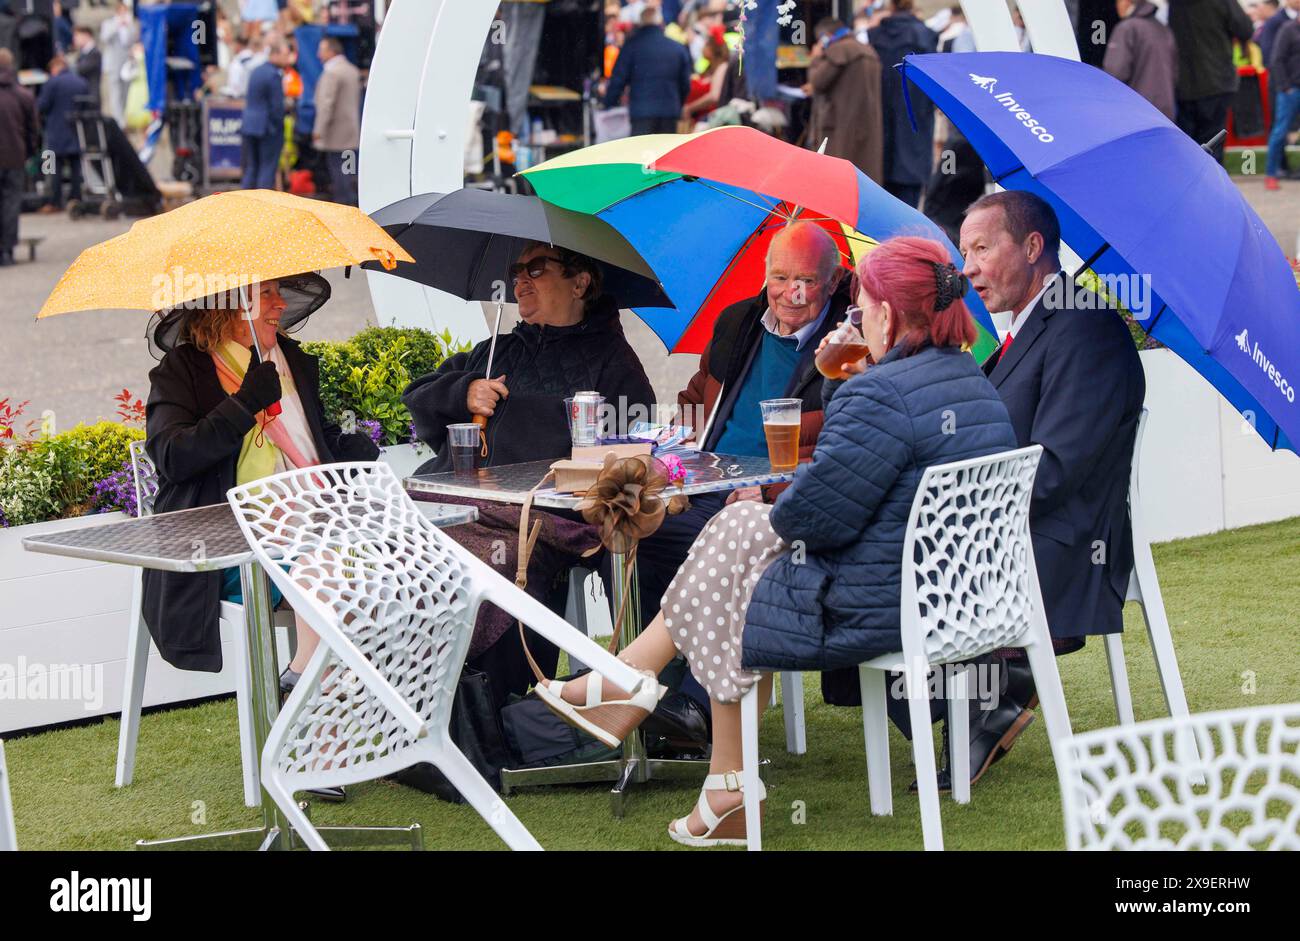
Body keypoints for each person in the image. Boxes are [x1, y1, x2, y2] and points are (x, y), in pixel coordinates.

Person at [533, 235, 1018, 847]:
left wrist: (831, 400)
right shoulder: (965, 378)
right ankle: (707, 772)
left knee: (735, 553)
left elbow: (814, 519)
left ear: (889, 315)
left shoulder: (880, 393)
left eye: (859, 305)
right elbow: (859, 493)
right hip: (956, 596)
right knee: (734, 536)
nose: (851, 318)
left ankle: (635, 688)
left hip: (879, 606)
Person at [144, 277, 381, 799]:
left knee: (384, 565)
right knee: (331, 569)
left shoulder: (292, 361)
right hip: (227, 543)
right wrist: (242, 404)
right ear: (226, 306)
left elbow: (307, 448)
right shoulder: (183, 371)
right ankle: (323, 746)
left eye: (279, 293)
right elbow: (173, 458)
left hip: (316, 525)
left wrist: (350, 448)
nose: (280, 305)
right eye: (266, 294)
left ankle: (298, 681)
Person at [402, 244, 657, 703]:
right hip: (452, 502)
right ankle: (414, 698)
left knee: (499, 564)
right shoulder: (499, 348)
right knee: (402, 555)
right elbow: (417, 395)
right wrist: (464, 392)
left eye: (536, 270)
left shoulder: (612, 362)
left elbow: (631, 452)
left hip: (540, 515)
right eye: (516, 270)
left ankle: (488, 709)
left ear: (580, 283)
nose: (520, 280)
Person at [958, 191, 1145, 777]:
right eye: (965, 252)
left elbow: (1056, 467)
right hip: (1012, 526)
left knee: (896, 561)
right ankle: (975, 695)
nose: (967, 268)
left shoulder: (1085, 327)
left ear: (1033, 247)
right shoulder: (1031, 327)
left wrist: (961, 504)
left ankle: (997, 686)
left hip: (1063, 543)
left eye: (982, 249)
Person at [633, 222, 850, 715]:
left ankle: (698, 707)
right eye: (779, 278)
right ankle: (651, 690)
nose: (790, 294)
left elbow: (845, 448)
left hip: (776, 500)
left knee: (726, 546)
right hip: (709, 483)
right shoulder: (738, 322)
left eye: (807, 281)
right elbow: (694, 399)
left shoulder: (847, 347)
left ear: (834, 282)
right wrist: (668, 451)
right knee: (638, 530)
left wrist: (772, 487)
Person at [870, 0, 938, 207]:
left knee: (881, 198)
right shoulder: (926, 36)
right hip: (914, 120)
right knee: (909, 198)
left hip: (881, 124)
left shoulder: (874, 36)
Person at [1168, 0, 1254, 163]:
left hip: (1183, 86)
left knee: (1187, 149)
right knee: (1212, 148)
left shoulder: (1176, 4)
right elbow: (1245, 29)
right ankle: (1212, 186)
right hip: (1216, 82)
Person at [807, 16, 884, 184]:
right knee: (862, 177)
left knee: (837, 180)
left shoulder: (838, 51)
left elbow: (818, 82)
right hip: (865, 125)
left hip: (839, 126)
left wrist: (815, 58)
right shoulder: (868, 51)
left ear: (825, 36)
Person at [603, 5, 693, 135]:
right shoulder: (677, 48)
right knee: (666, 152)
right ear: (660, 23)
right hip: (669, 111)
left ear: (640, 24)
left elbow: (618, 79)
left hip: (641, 112)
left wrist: (608, 103)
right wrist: (678, 102)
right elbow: (685, 83)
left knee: (642, 153)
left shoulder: (631, 47)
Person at [1104, 0, 1179, 121]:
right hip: (1165, 112)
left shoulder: (1126, 28)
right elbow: (1174, 74)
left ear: (1127, 2)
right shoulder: (1164, 30)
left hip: (1136, 112)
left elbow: (1115, 73)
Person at [0, 48, 38, 267]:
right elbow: (33, 130)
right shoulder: (23, 95)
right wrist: (30, 153)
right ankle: (7, 250)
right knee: (11, 203)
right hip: (14, 157)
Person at [313, 37, 361, 206]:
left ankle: (344, 204)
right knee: (349, 170)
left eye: (322, 50)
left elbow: (326, 104)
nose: (319, 55)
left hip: (335, 133)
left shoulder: (332, 73)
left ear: (331, 51)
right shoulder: (351, 70)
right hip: (351, 131)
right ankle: (352, 203)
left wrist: (318, 130)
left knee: (338, 172)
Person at [37, 55, 88, 214]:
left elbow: (41, 106)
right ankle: (76, 199)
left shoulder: (52, 83)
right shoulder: (81, 82)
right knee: (75, 168)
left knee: (51, 169)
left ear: (54, 68)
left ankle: (53, 201)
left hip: (54, 134)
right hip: (76, 133)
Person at [241, 34, 290, 191]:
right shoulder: (274, 75)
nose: (288, 58)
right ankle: (263, 207)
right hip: (267, 128)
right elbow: (277, 107)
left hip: (250, 126)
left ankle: (243, 205)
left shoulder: (256, 71)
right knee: (267, 168)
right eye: (285, 54)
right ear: (275, 54)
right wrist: (279, 126)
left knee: (252, 167)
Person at [1267, 13, 1300, 188]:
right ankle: (1271, 174)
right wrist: (1285, 87)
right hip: (1291, 90)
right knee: (1279, 132)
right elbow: (1276, 60)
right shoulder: (1288, 30)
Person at [99, 2, 136, 128]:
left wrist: (127, 26)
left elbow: (133, 40)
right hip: (113, 63)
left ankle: (123, 117)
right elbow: (104, 37)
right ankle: (118, 121)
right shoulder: (109, 23)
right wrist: (117, 25)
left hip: (126, 62)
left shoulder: (130, 25)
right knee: (115, 93)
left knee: (125, 92)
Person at [71, 25, 102, 109]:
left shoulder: (94, 53)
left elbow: (80, 69)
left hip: (91, 98)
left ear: (86, 35)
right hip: (83, 96)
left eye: (77, 36)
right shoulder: (82, 53)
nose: (74, 39)